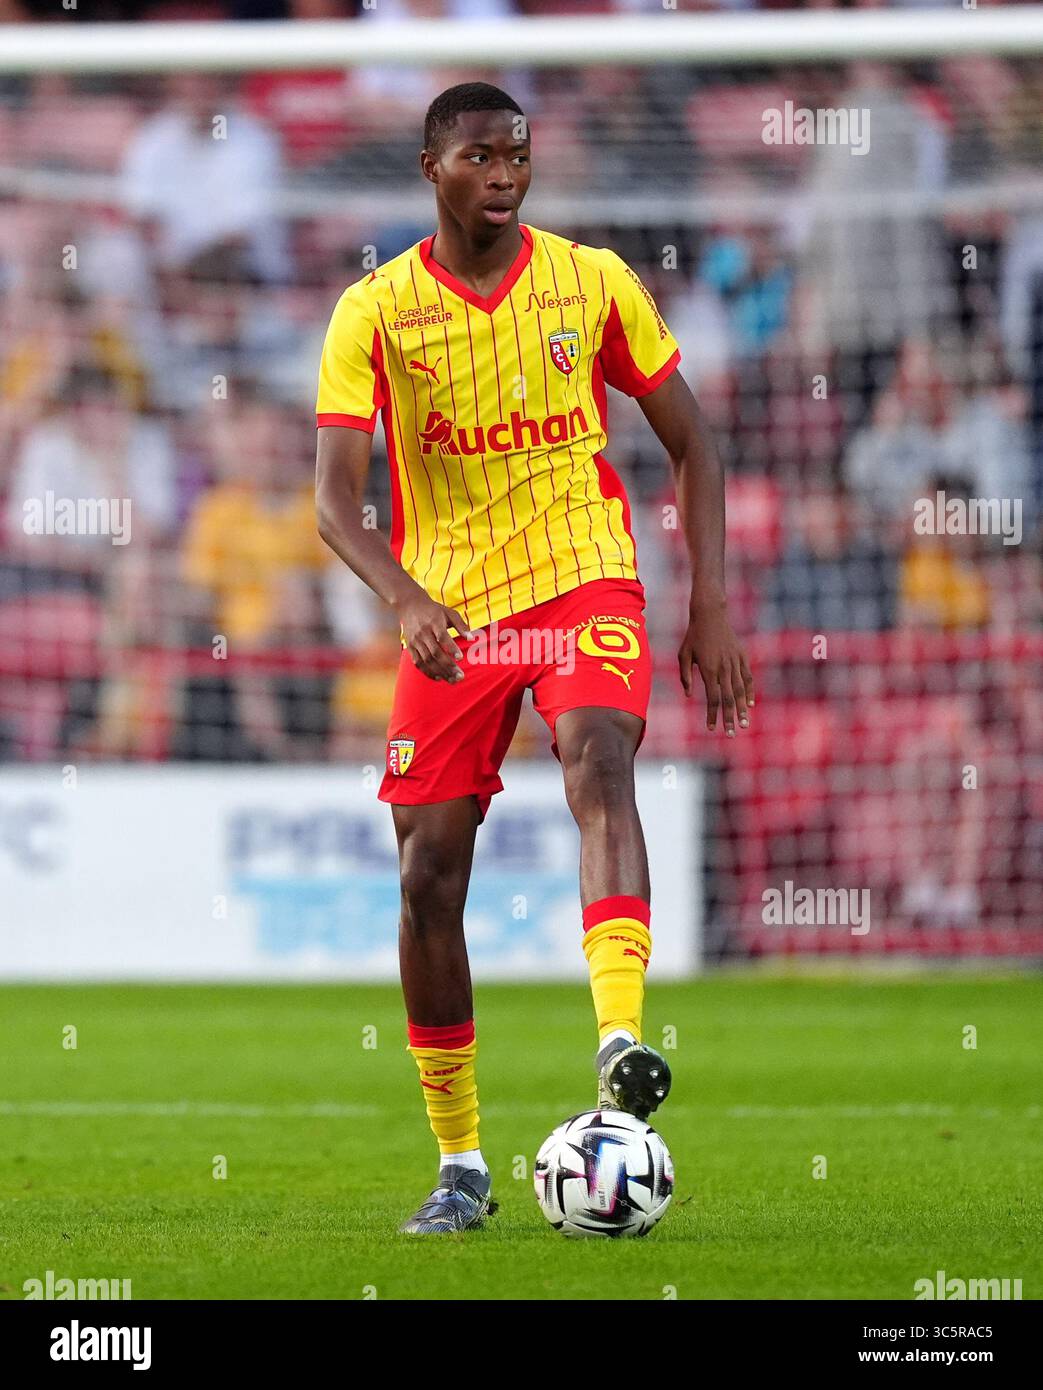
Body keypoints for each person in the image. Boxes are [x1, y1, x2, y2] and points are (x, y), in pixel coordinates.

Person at [314, 82, 754, 1234]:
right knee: (425, 879)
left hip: (581, 575)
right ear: (430, 170)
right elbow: (332, 506)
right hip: (452, 612)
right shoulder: (375, 311)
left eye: (517, 152)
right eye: (479, 155)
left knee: (598, 758)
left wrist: (707, 602)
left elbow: (693, 443)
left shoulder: (592, 281)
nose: (504, 171)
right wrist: (404, 596)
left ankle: (618, 1037)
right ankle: (460, 1164)